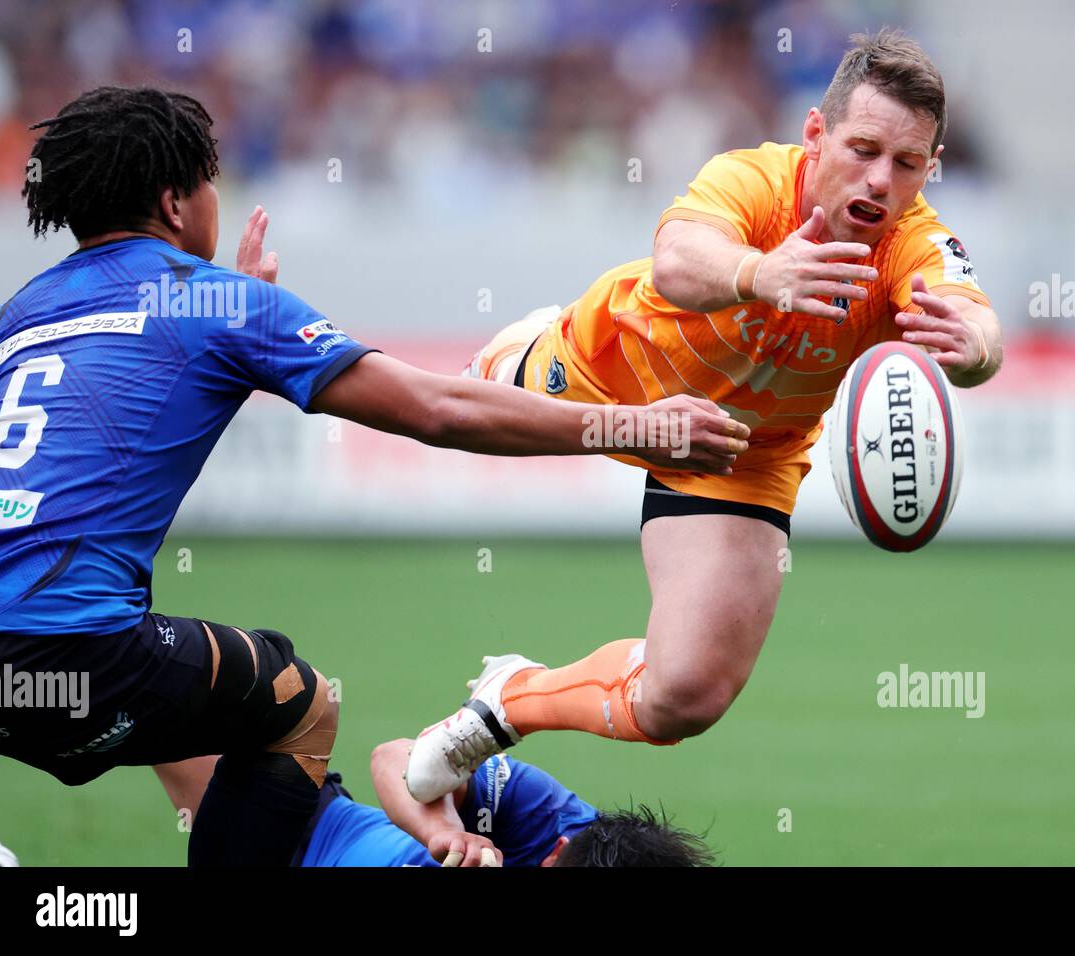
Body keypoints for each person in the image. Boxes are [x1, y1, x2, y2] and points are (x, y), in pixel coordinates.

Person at [0, 86, 745, 866]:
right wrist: (638, 424)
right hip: (78, 650)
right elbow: (439, 409)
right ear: (176, 203)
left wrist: (240, 348)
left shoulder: (19, 312)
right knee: (299, 703)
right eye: (214, 180)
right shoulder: (210, 300)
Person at [406, 30, 1004, 803]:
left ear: (932, 167)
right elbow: (678, 260)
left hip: (737, 454)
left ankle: (506, 700)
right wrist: (763, 272)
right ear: (816, 136)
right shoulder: (750, 179)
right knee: (464, 417)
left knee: (684, 698)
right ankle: (518, 346)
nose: (881, 181)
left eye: (908, 164)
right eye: (863, 149)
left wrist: (974, 349)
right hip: (612, 375)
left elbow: (975, 321)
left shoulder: (915, 241)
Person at [154, 743, 714, 868]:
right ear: (556, 853)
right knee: (147, 703)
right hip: (302, 826)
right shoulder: (547, 814)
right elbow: (396, 759)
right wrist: (445, 832)